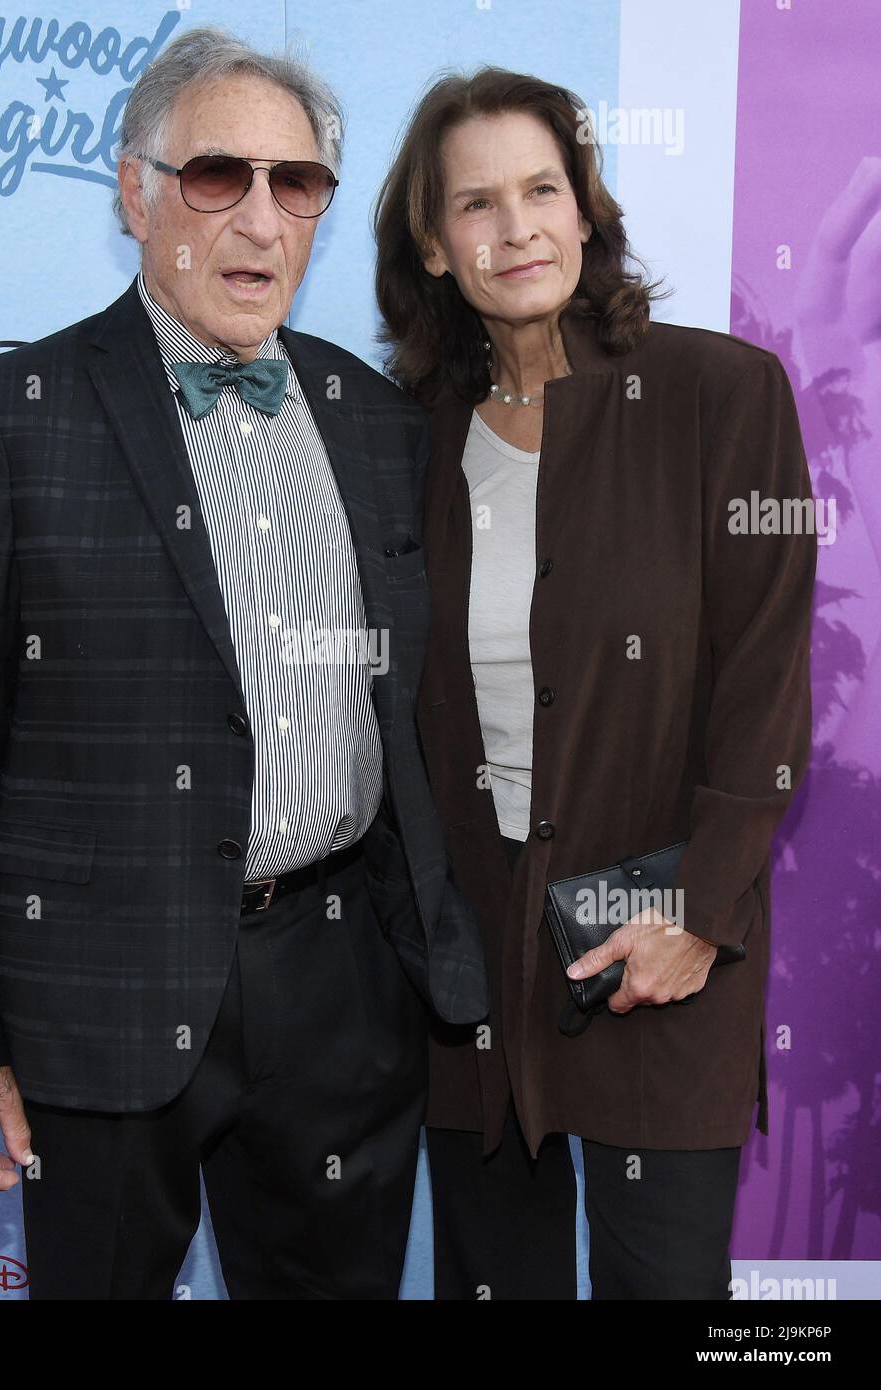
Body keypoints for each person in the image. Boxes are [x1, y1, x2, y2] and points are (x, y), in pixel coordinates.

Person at [0, 26, 486, 1301]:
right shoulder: (14, 414)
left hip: (340, 991)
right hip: (102, 993)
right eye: (218, 176)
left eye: (297, 183)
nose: (261, 220)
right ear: (134, 190)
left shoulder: (374, 422)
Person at [374, 67, 816, 1299]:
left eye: (541, 190)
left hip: (658, 937)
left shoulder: (717, 395)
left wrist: (698, 913)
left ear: (585, 209)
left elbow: (766, 687)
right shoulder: (406, 433)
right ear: (431, 240)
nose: (514, 228)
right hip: (470, 951)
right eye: (474, 203)